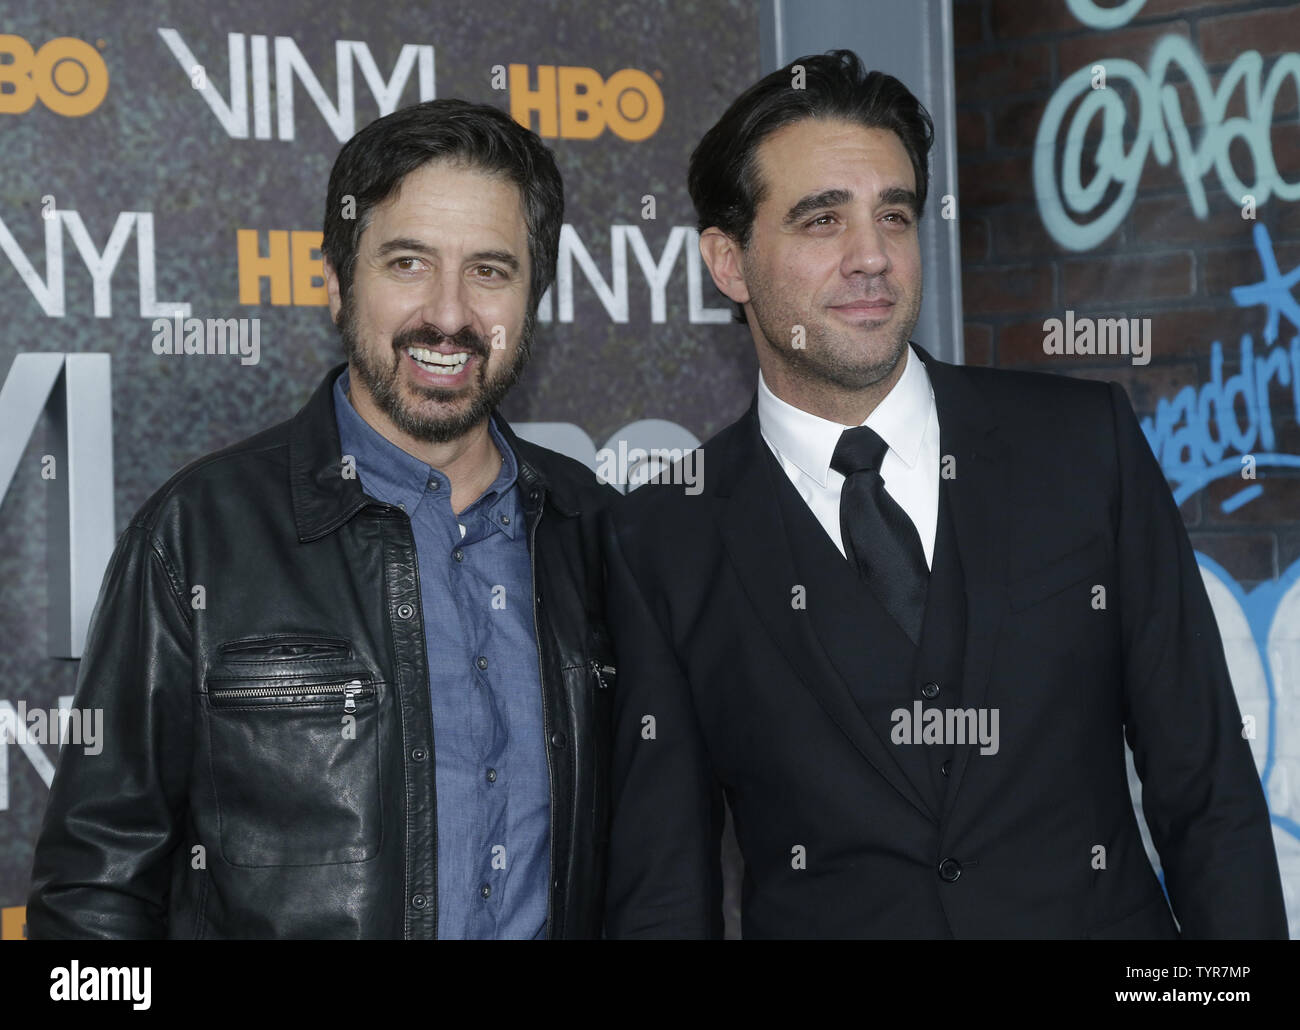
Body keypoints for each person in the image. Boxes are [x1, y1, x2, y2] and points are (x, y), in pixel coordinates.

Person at [601, 50, 1287, 938]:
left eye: (895, 214)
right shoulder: (663, 535)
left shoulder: (1083, 447)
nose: (872, 257)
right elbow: (664, 893)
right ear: (728, 263)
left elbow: (1208, 790)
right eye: (822, 220)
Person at [28, 99, 616, 939]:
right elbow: (94, 894)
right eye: (408, 263)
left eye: (490, 270)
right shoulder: (199, 537)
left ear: (534, 295)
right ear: (338, 283)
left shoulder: (598, 534)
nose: (448, 315)